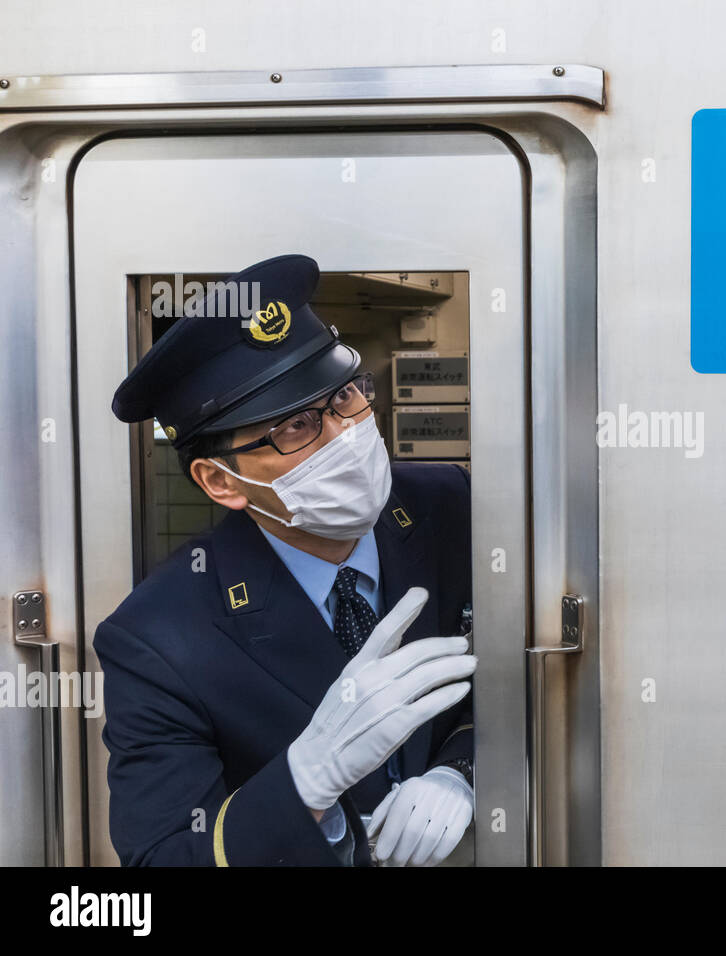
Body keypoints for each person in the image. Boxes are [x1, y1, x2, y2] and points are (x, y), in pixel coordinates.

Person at [94, 254, 476, 866]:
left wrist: (460, 771)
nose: (345, 434)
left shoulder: (445, 506)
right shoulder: (157, 638)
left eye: (346, 395)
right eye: (298, 427)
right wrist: (306, 783)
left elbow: (512, 679)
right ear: (222, 482)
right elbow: (160, 859)